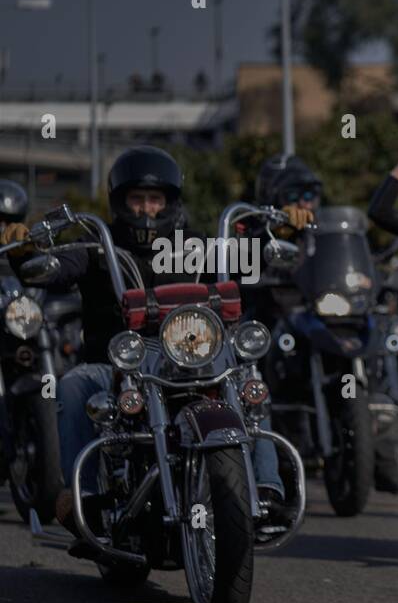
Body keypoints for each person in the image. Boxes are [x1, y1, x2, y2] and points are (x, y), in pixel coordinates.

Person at [0, 146, 304, 543]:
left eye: (155, 199)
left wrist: (279, 233)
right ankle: (85, 497)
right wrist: (27, 252)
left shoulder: (196, 245)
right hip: (116, 368)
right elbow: (50, 271)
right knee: (73, 384)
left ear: (171, 201)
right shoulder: (96, 246)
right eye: (137, 199)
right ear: (120, 202)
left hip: (191, 362)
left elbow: (249, 261)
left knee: (249, 383)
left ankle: (266, 490)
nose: (146, 209)